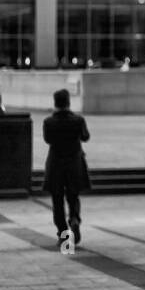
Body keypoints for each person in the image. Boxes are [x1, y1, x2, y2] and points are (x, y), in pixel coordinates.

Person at [43, 89, 91, 250]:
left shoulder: (49, 122)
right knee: (73, 196)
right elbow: (85, 137)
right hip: (74, 163)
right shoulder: (78, 120)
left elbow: (48, 139)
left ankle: (64, 237)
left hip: (56, 164)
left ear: (55, 103)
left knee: (57, 201)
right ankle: (75, 219)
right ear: (68, 102)